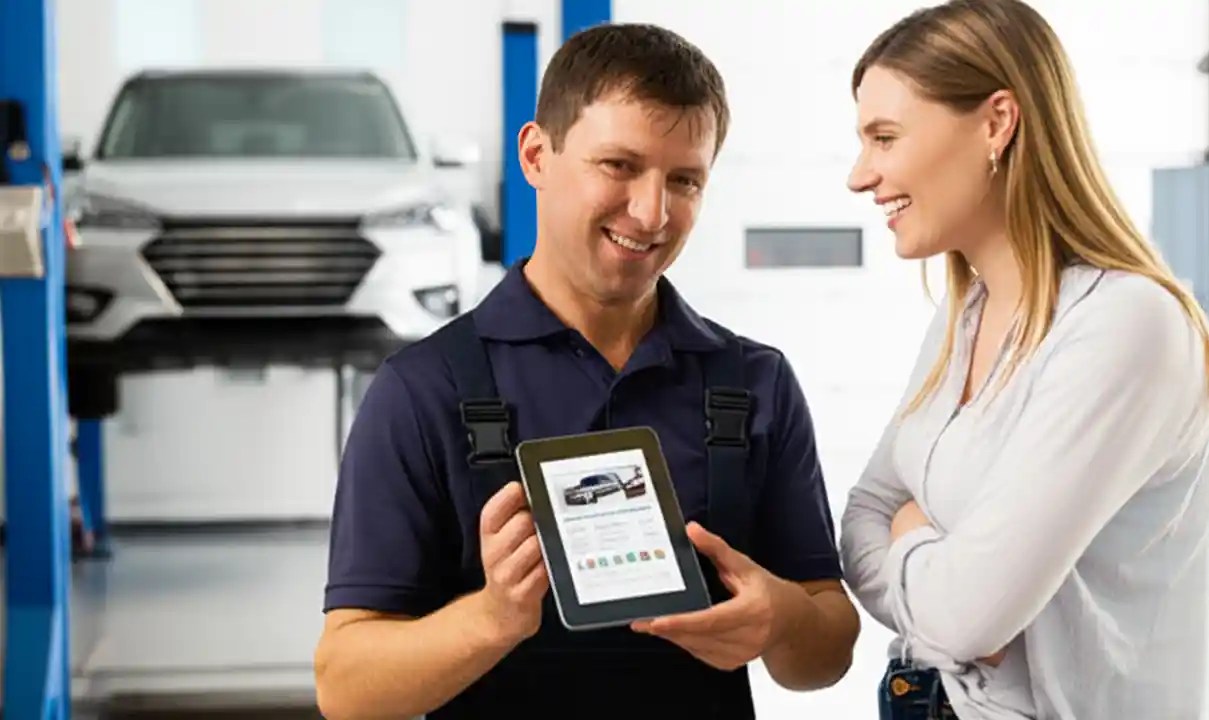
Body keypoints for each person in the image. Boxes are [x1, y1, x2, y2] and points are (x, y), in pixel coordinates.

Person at [313, 22, 860, 720]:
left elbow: (828, 648)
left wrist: (780, 619)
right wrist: (492, 618)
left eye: (685, 180)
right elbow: (346, 687)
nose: (653, 212)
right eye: (620, 166)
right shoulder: (424, 392)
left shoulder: (753, 383)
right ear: (537, 155)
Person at [837, 1, 1209, 718]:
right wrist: (941, 568)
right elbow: (864, 517)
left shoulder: (1124, 327)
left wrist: (926, 554)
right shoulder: (965, 315)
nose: (861, 176)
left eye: (885, 138)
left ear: (996, 122)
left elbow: (968, 620)